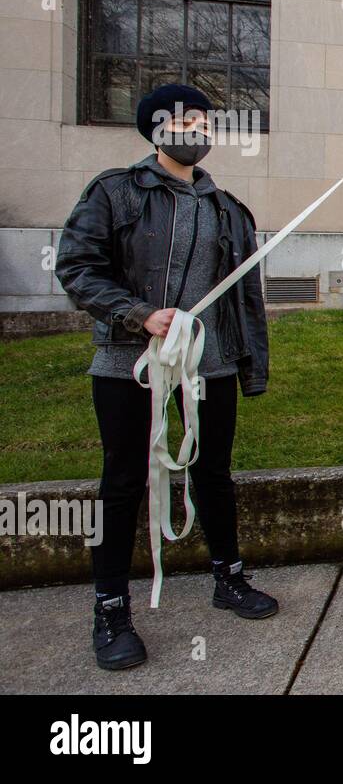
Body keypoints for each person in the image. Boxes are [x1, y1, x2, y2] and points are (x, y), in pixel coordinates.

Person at [55, 84, 277, 671]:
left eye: (208, 123)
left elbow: (246, 300)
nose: (201, 132)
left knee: (214, 472)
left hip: (210, 364)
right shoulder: (114, 192)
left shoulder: (227, 208)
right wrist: (138, 314)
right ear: (158, 127)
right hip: (129, 361)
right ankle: (111, 610)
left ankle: (228, 578)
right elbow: (77, 267)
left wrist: (248, 364)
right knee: (124, 479)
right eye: (190, 121)